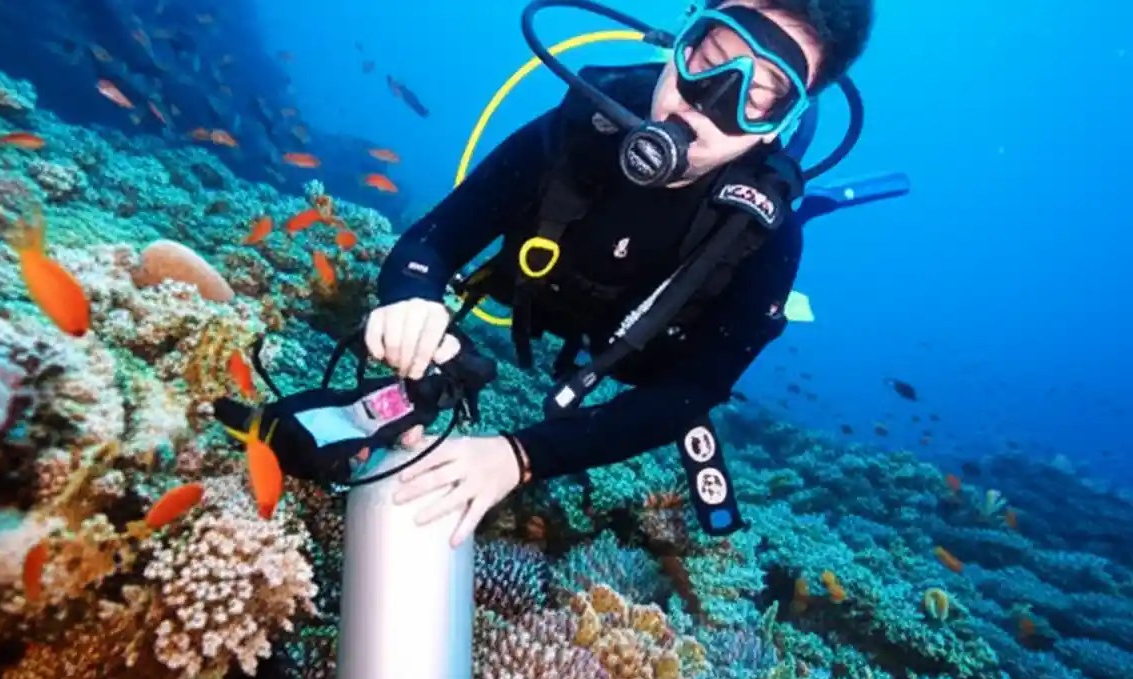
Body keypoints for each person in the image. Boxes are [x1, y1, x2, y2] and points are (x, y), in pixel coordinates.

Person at [367, 0, 875, 546]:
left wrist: (519, 457)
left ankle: (819, 197)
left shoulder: (763, 235)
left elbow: (689, 392)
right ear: (679, 39)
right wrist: (411, 295)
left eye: (754, 96)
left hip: (643, 349)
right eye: (712, 53)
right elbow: (437, 236)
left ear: (780, 124)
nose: (707, 100)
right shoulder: (580, 128)